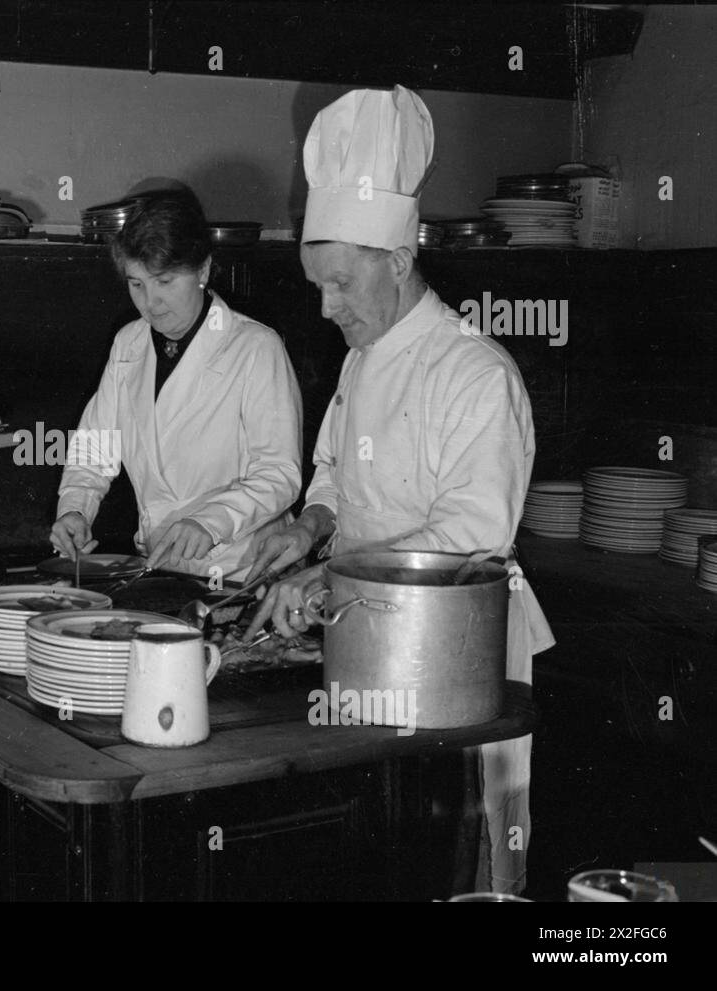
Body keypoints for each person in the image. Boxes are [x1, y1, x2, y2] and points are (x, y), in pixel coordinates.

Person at [245, 85, 554, 894]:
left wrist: (336, 575)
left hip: (464, 667)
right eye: (316, 282)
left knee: (466, 864)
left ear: (400, 259)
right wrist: (306, 528)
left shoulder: (477, 374)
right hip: (368, 647)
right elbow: (337, 476)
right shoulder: (361, 354)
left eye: (341, 283)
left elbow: (473, 535)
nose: (325, 305)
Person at [49, 190, 303, 582]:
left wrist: (210, 522)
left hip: (243, 570)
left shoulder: (255, 346)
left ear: (202, 271)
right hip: (159, 564)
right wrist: (75, 510)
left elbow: (279, 473)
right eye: (137, 284)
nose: (151, 303)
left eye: (164, 281)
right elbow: (95, 450)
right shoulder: (129, 343)